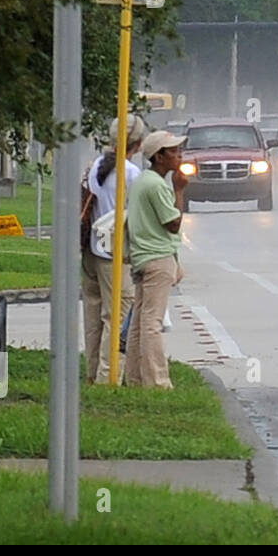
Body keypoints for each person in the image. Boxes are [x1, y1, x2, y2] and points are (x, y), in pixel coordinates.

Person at [80, 115, 146, 384]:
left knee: (93, 315)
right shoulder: (131, 174)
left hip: (91, 250)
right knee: (116, 315)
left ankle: (92, 370)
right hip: (115, 254)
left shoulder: (95, 166)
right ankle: (109, 376)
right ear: (138, 144)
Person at [124, 129, 188, 389]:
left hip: (143, 256)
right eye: (172, 151)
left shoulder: (142, 181)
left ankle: (136, 377)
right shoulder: (156, 185)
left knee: (140, 321)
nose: (178, 155)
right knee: (152, 322)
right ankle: (158, 381)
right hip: (157, 257)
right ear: (159, 157)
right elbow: (173, 223)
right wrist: (179, 190)